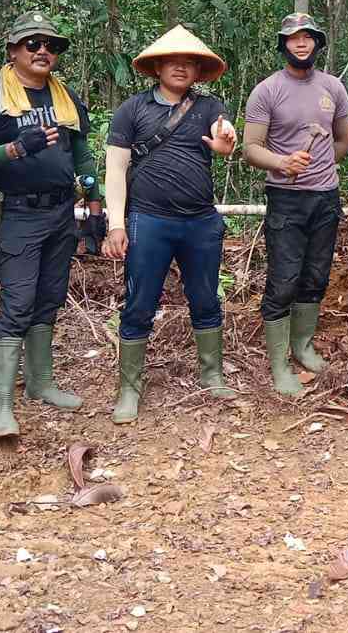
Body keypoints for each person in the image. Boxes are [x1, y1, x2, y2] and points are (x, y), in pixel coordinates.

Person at [0, 11, 102, 438]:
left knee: (50, 298)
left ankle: (41, 383)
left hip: (61, 211)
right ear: (13, 51)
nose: (43, 51)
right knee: (17, 302)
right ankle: (0, 404)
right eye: (32, 44)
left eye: (51, 45)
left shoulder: (65, 97)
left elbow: (82, 155)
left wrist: (94, 202)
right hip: (19, 214)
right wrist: (18, 148)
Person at [102, 25, 238, 422]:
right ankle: (129, 388)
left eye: (190, 62)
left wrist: (226, 142)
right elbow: (115, 168)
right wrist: (116, 224)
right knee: (140, 302)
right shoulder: (132, 109)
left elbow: (224, 136)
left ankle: (211, 373)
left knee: (206, 298)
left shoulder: (209, 108)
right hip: (149, 221)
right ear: (158, 66)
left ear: (198, 70)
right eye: (173, 61)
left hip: (200, 222)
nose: (181, 67)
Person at [241, 13, 348, 396]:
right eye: (293, 38)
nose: (301, 43)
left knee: (316, 275)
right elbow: (250, 148)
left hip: (325, 196)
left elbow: (343, 141)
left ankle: (303, 347)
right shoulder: (267, 91)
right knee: (284, 279)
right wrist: (282, 163)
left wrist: (322, 167)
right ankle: (279, 364)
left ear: (317, 43)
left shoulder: (333, 88)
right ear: (283, 45)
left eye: (308, 37)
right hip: (286, 198)